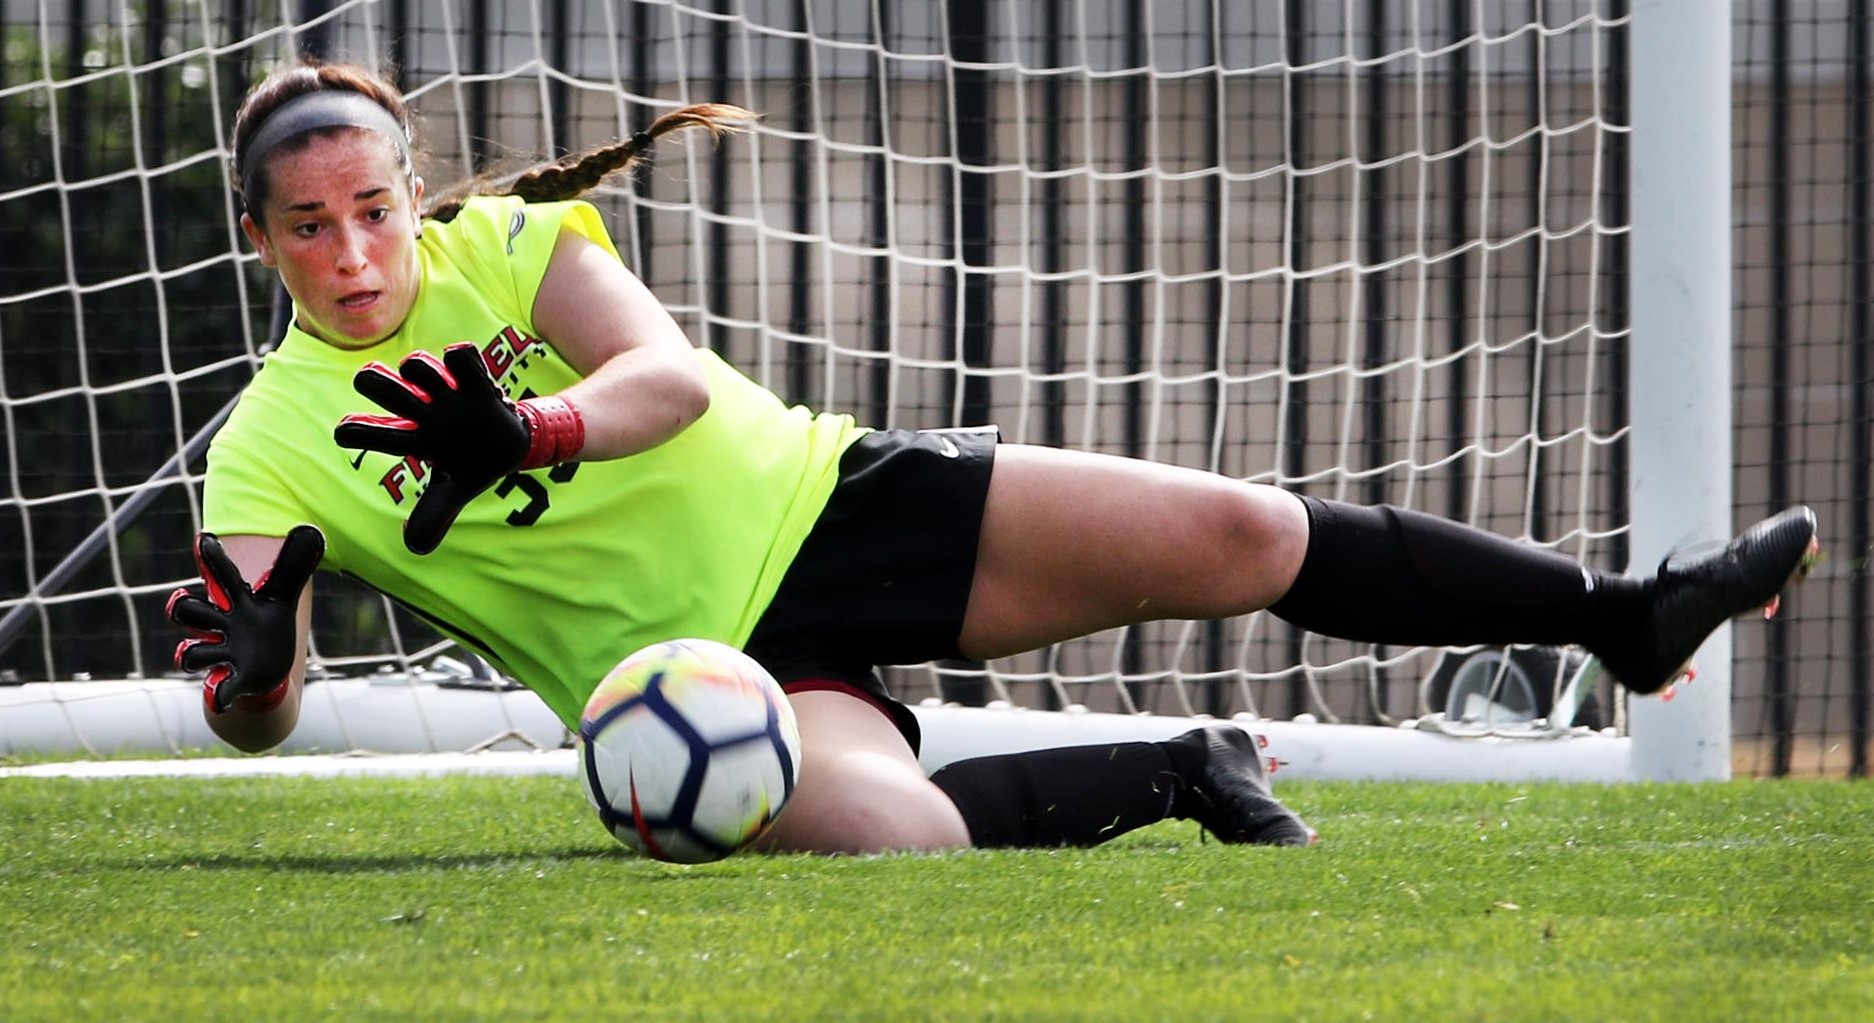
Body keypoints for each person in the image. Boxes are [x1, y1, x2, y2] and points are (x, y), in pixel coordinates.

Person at [168, 60, 1820, 856]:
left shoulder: (514, 250)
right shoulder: (267, 456)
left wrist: (528, 424)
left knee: (1240, 532)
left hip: (836, 499)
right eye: (308, 228)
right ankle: (1184, 768)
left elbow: (662, 381)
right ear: (259, 238)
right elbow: (260, 710)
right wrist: (253, 680)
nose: (355, 252)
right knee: (903, 847)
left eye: (376, 210)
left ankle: (1624, 615)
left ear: (413, 194)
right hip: (701, 681)